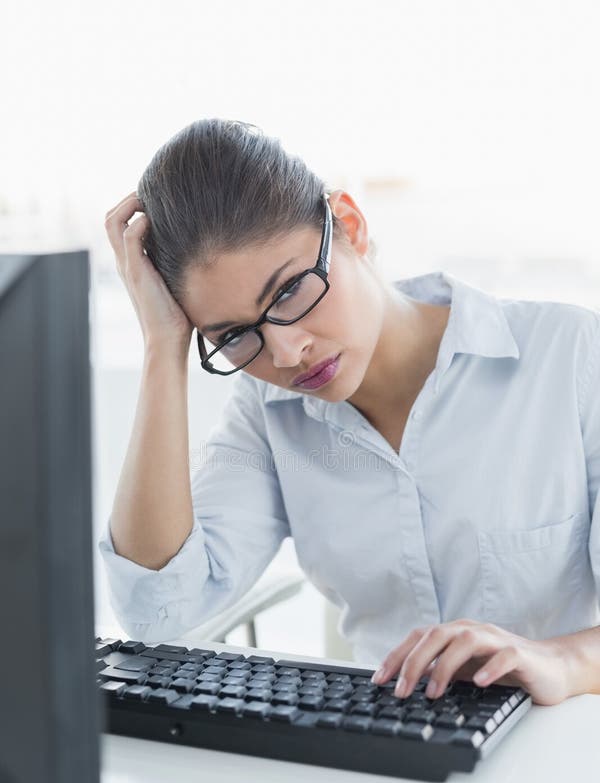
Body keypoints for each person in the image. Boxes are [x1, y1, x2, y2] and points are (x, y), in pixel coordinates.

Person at [100, 117, 600, 707]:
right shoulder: (267, 411)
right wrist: (164, 347)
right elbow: (158, 612)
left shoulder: (569, 356)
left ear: (351, 226)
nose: (287, 353)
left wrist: (556, 660)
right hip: (384, 764)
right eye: (235, 334)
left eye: (288, 291)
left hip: (558, 751)